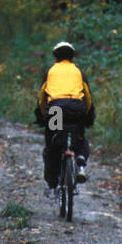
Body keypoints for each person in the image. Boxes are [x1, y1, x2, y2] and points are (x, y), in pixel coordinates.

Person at [34, 40, 95, 190]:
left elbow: (42, 98)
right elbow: (87, 96)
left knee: (52, 141)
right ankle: (80, 162)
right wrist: (87, 114)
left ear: (55, 57)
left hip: (56, 109)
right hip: (76, 107)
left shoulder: (50, 71)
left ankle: (53, 180)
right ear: (72, 57)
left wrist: (42, 115)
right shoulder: (79, 72)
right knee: (79, 138)